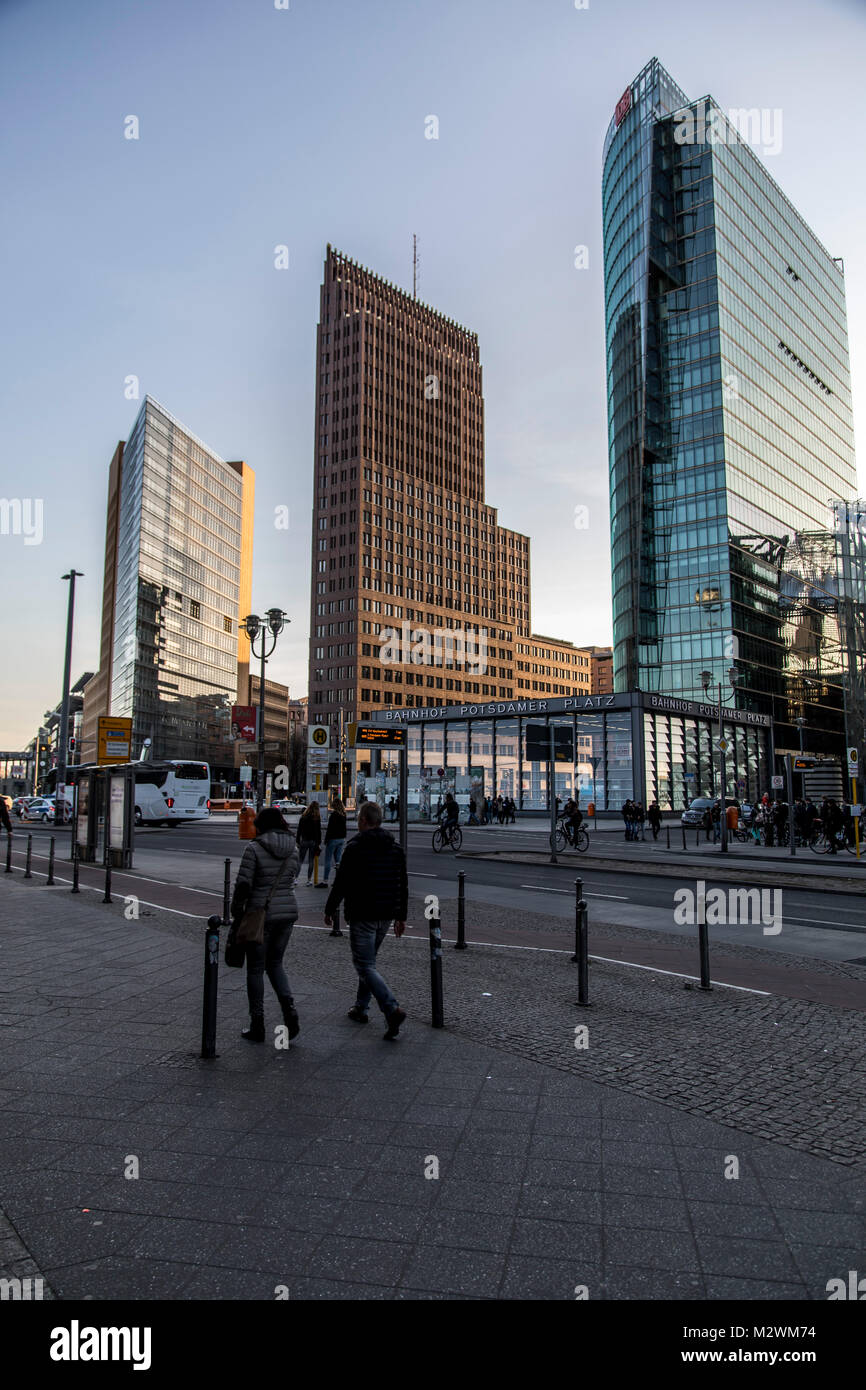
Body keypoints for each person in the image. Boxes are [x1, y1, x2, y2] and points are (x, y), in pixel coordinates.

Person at [324, 800, 407, 1039]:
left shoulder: (355, 848)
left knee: (364, 965)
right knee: (369, 962)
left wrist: (330, 909)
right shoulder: (395, 848)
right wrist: (400, 916)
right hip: (385, 915)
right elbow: (403, 885)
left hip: (363, 914)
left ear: (363, 821)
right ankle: (361, 1007)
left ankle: (391, 1008)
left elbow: (342, 883)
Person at [230, 807, 300, 1043]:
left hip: (260, 915)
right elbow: (293, 877)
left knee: (256, 969)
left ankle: (257, 1023)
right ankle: (289, 1011)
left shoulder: (254, 848)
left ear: (260, 825)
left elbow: (242, 886)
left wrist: (236, 912)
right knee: (276, 964)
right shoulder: (293, 849)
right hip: (287, 913)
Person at [319, 797, 347, 888]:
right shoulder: (343, 814)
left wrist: (326, 840)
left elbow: (330, 829)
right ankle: (337, 881)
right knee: (338, 861)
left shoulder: (333, 815)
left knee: (328, 860)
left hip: (333, 839)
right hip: (341, 839)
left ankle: (325, 881)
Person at [295, 801, 322, 884]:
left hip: (304, 840)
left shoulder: (303, 817)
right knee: (311, 861)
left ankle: (295, 879)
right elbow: (319, 832)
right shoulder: (317, 818)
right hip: (313, 842)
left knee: (300, 860)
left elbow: (299, 830)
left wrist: (298, 841)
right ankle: (309, 880)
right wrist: (318, 842)